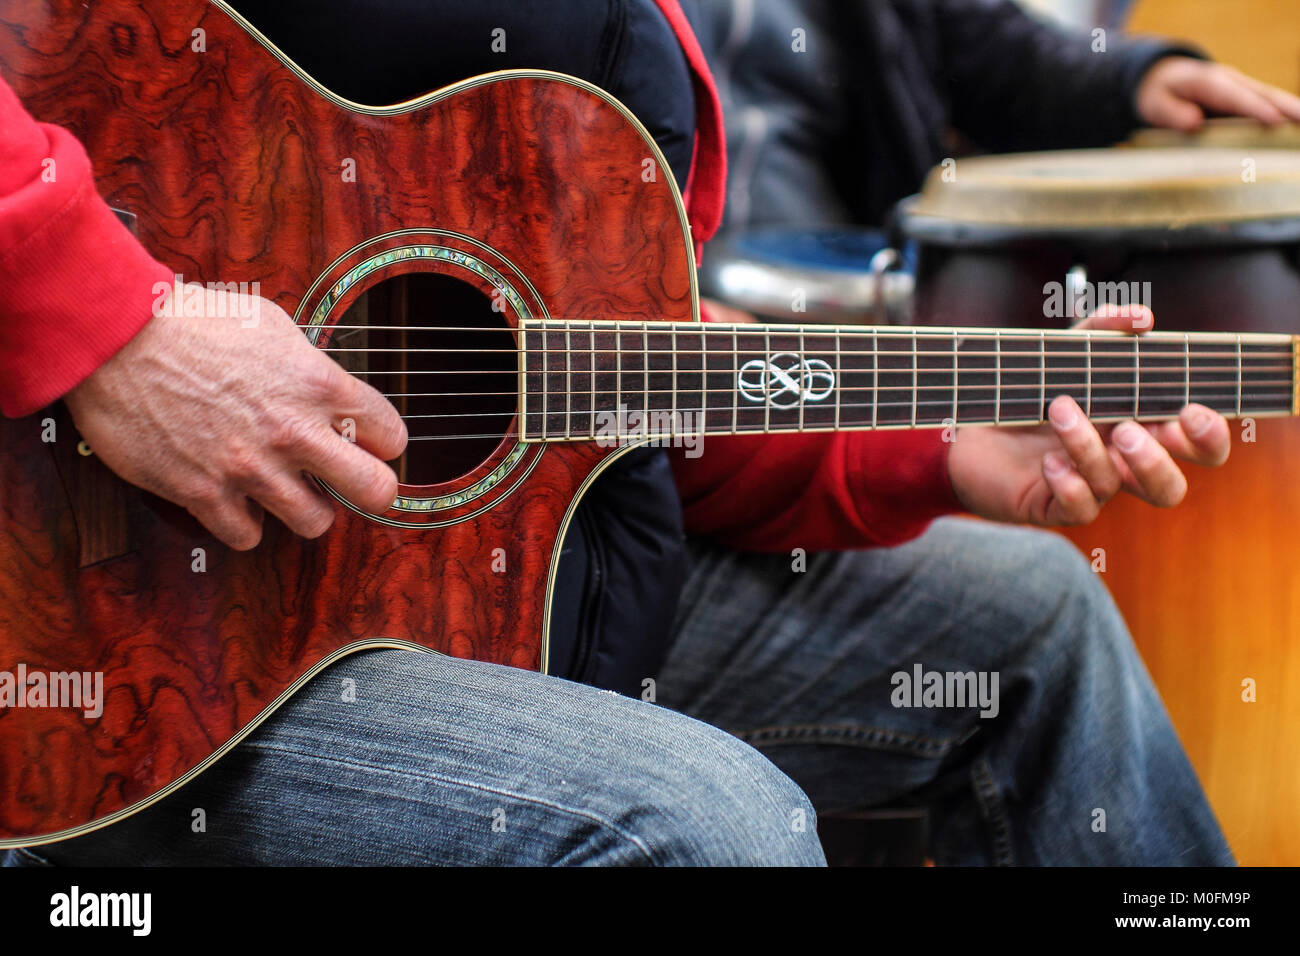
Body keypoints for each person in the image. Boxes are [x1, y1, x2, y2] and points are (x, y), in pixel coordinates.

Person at [1, 0, 1273, 866]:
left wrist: (934, 446)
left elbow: (585, 377)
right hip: (146, 658)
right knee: (706, 823)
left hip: (521, 604)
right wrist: (111, 322)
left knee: (1028, 618)